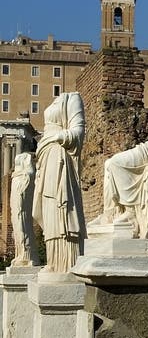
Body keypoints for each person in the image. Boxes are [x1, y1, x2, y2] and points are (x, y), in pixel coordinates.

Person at [33, 92, 86, 274]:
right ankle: (53, 261)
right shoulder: (56, 101)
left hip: (59, 156)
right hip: (46, 156)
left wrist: (57, 138)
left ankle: (67, 263)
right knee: (48, 211)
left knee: (61, 210)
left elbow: (78, 130)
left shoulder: (72, 98)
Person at [10, 152, 39, 267]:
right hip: (16, 207)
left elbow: (24, 193)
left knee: (23, 225)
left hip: (22, 209)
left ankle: (27, 255)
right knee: (17, 226)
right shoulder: (17, 176)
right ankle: (20, 254)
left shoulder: (27, 174)